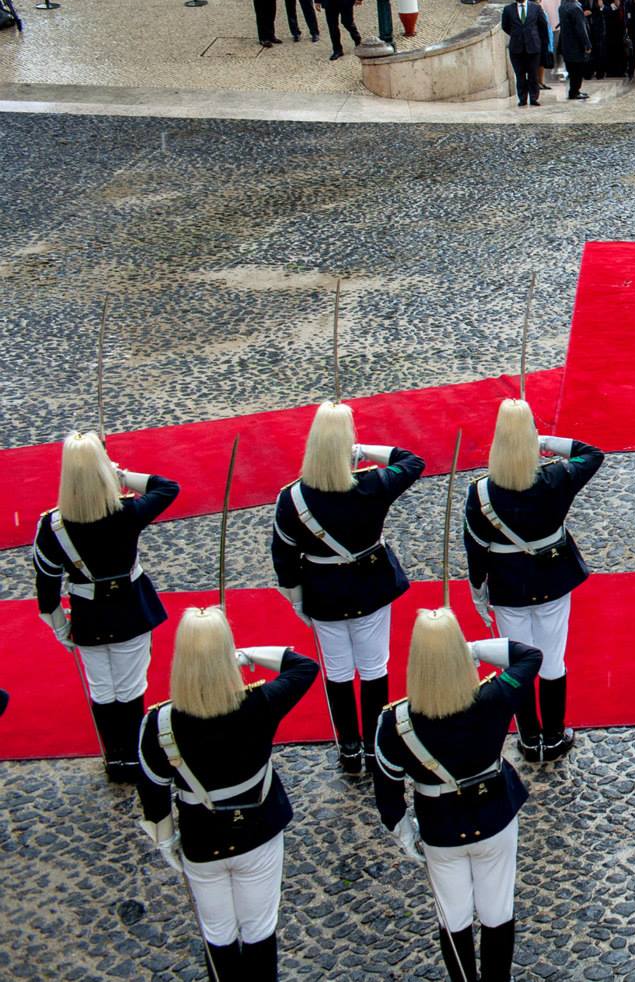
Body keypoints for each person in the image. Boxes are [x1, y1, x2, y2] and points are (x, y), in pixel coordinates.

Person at [137, 608, 316, 981]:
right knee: (260, 929)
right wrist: (247, 655)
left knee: (218, 935)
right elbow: (303, 667)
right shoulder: (258, 704)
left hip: (203, 839)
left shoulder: (159, 723)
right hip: (258, 830)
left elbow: (153, 790)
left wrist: (167, 838)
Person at [372, 613, 540, 982]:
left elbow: (387, 790)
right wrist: (474, 648)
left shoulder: (394, 723)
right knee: (498, 912)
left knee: (454, 918)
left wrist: (403, 832)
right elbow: (529, 656)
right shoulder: (494, 696)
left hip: (440, 826)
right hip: (494, 816)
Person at [270, 402, 425, 776]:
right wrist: (365, 450)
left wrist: (296, 599)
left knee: (337, 673)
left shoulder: (292, 499)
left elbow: (283, 555)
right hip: (370, 584)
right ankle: (375, 749)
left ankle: (349, 750)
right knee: (374, 669)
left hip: (323, 592)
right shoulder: (372, 485)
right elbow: (412, 461)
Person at [33, 432, 179, 783]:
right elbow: (166, 487)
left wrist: (59, 627)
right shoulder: (126, 512)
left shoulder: (52, 526)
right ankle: (132, 757)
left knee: (102, 688)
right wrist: (120, 474)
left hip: (89, 616)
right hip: (130, 609)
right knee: (130, 687)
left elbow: (47, 584)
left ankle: (115, 758)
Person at [464, 400, 604, 763]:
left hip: (509, 585)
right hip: (552, 578)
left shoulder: (481, 492)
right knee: (553, 659)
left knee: (517, 662)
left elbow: (475, 548)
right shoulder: (554, 479)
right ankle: (554, 736)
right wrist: (545, 442)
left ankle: (529, 737)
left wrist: (479, 587)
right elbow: (591, 454)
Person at [499, 0, 550, 107]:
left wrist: (542, 43)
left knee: (533, 74)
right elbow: (505, 26)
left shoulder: (536, 8)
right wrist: (517, 35)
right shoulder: (508, 9)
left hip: (533, 47)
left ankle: (533, 98)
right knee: (520, 75)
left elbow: (543, 27)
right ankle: (522, 98)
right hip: (516, 48)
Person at [556, 0, 593, 102]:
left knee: (572, 69)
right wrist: (587, 44)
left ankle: (574, 90)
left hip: (566, 43)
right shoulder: (575, 7)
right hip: (576, 45)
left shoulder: (563, 5)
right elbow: (581, 28)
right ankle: (574, 91)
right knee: (577, 69)